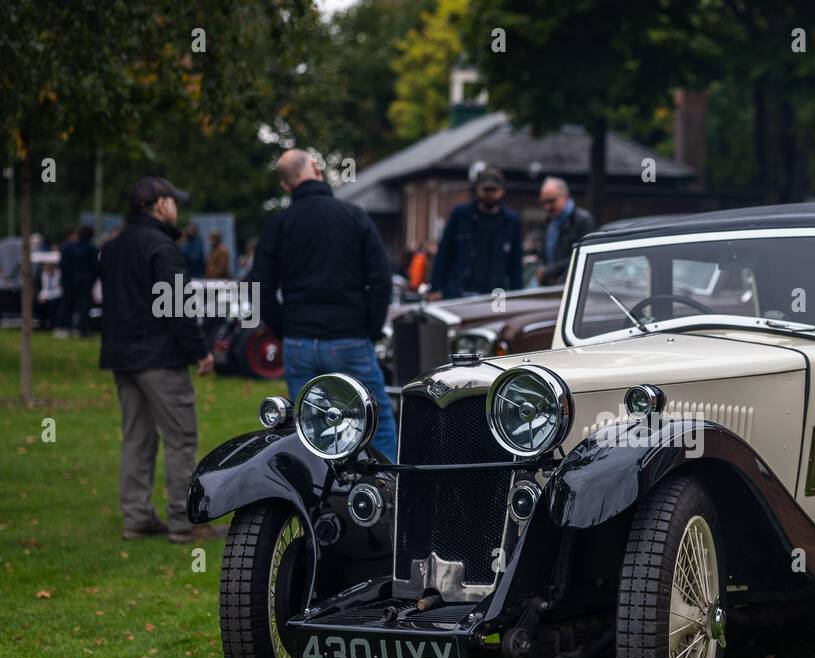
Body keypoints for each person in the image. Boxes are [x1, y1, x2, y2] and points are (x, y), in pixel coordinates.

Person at [249, 149, 397, 460]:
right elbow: (381, 280)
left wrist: (285, 328)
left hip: (300, 342)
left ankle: (319, 498)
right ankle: (387, 489)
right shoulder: (354, 216)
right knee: (375, 417)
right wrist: (369, 328)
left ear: (286, 186)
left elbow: (257, 285)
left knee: (309, 425)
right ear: (316, 168)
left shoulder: (281, 224)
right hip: (349, 337)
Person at [98, 176, 221, 543]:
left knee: (137, 439)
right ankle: (185, 521)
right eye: (174, 201)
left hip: (123, 357)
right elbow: (178, 307)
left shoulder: (114, 246)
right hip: (159, 358)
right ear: (160, 204)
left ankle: (136, 518)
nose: (177, 208)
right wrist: (199, 351)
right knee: (181, 438)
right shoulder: (162, 246)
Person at [428, 166, 523, 300]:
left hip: (495, 295)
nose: (489, 194)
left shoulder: (512, 221)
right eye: (486, 190)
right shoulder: (460, 215)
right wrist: (435, 288)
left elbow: (515, 264)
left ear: (502, 191)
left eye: (493, 190)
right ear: (478, 189)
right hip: (458, 291)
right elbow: (444, 252)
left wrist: (517, 297)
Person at [536, 176, 595, 285]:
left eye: (551, 201)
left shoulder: (582, 221)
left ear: (565, 197)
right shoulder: (549, 222)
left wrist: (549, 271)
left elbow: (582, 257)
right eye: (543, 202)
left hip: (572, 286)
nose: (547, 206)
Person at [58, 224, 98, 337]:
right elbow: (95, 266)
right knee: (84, 305)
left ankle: (67, 327)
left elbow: (63, 264)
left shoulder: (68, 247)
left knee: (68, 304)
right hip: (85, 281)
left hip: (69, 281)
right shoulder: (92, 248)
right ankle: (84, 330)